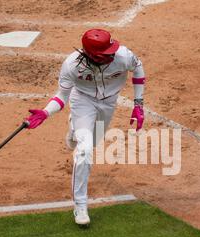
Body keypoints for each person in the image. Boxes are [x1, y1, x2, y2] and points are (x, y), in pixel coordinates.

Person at [25, 29, 146, 226]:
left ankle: (74, 130)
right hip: (82, 102)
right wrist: (46, 112)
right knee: (85, 149)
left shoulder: (123, 55)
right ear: (92, 55)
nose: (111, 54)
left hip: (108, 104)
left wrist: (138, 105)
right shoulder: (72, 65)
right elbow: (62, 96)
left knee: (94, 141)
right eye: (106, 53)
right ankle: (80, 205)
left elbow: (138, 68)